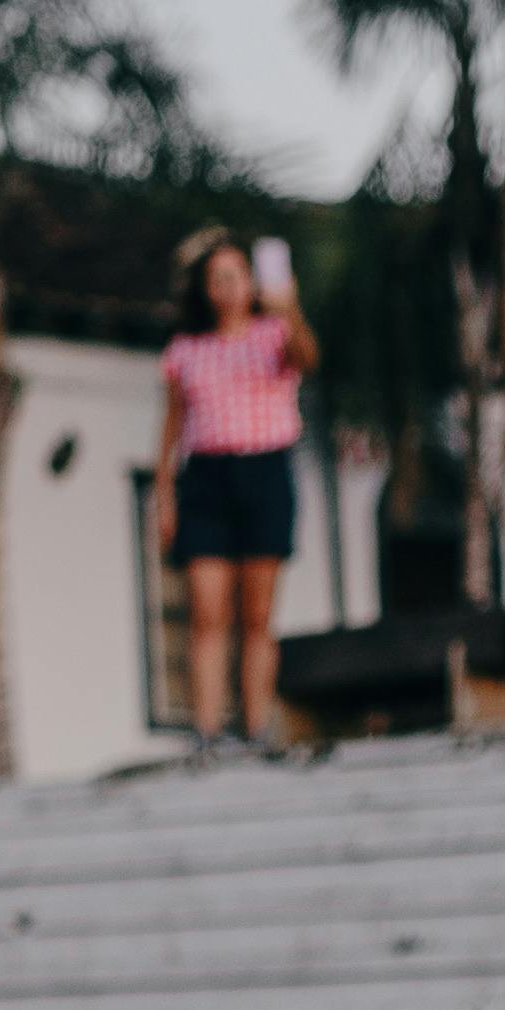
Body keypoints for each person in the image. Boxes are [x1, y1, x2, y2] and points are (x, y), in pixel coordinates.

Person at [158, 229, 318, 758]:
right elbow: (173, 425)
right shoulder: (185, 351)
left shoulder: (274, 335)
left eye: (235, 275)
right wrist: (165, 493)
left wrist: (289, 308)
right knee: (206, 612)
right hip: (206, 476)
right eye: (216, 278)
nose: (226, 285)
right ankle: (205, 730)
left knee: (257, 615)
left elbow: (308, 357)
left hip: (265, 472)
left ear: (251, 281)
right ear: (204, 288)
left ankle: (255, 725)